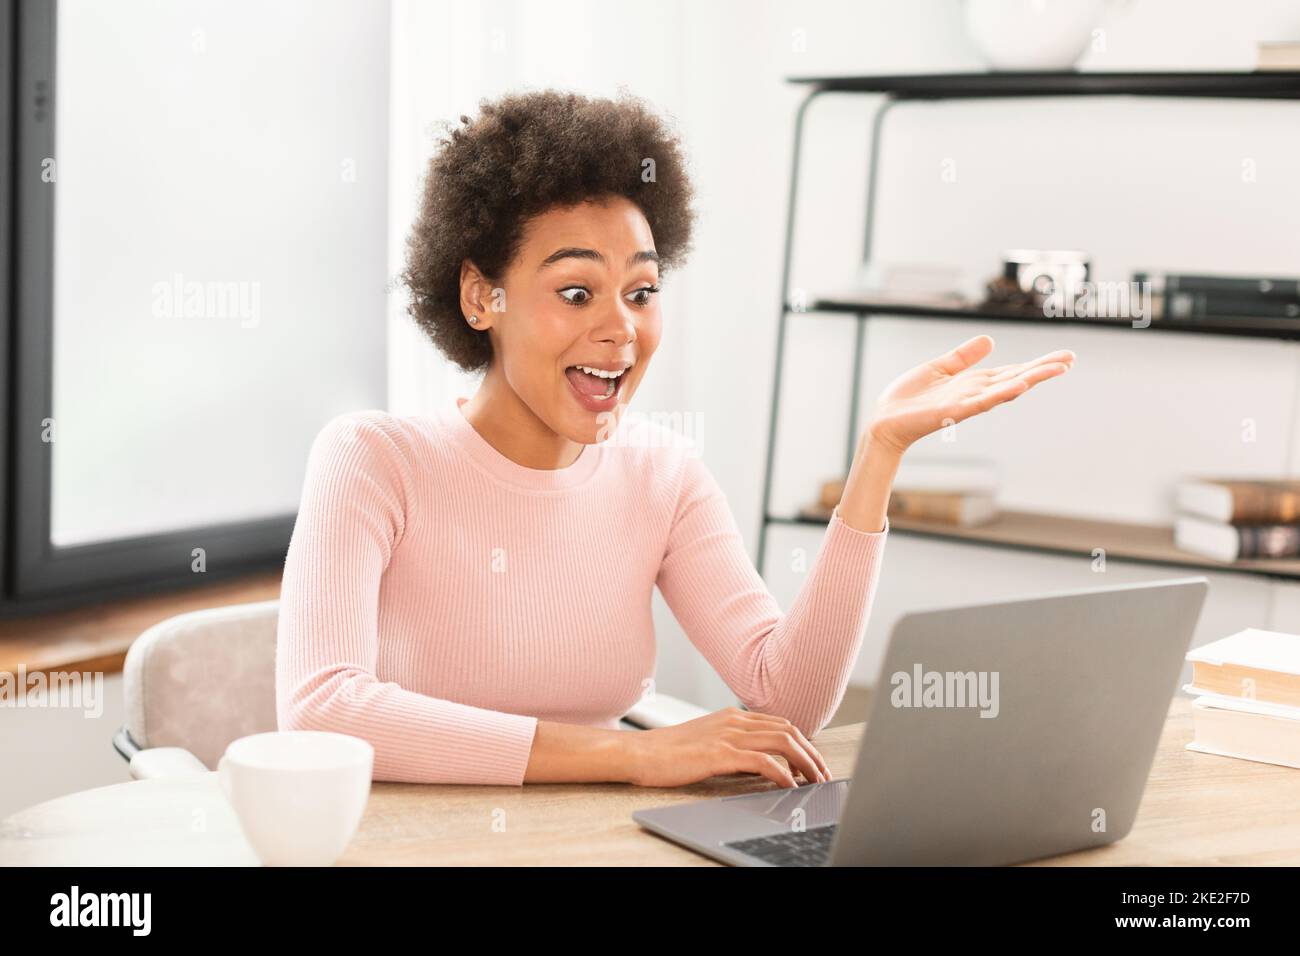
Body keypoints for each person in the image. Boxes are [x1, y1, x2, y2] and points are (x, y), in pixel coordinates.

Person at [275, 89, 1074, 788]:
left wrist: (877, 460)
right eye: (578, 291)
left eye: (642, 291)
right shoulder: (373, 460)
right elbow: (322, 709)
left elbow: (784, 697)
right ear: (482, 297)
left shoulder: (663, 474)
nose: (621, 328)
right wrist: (631, 755)